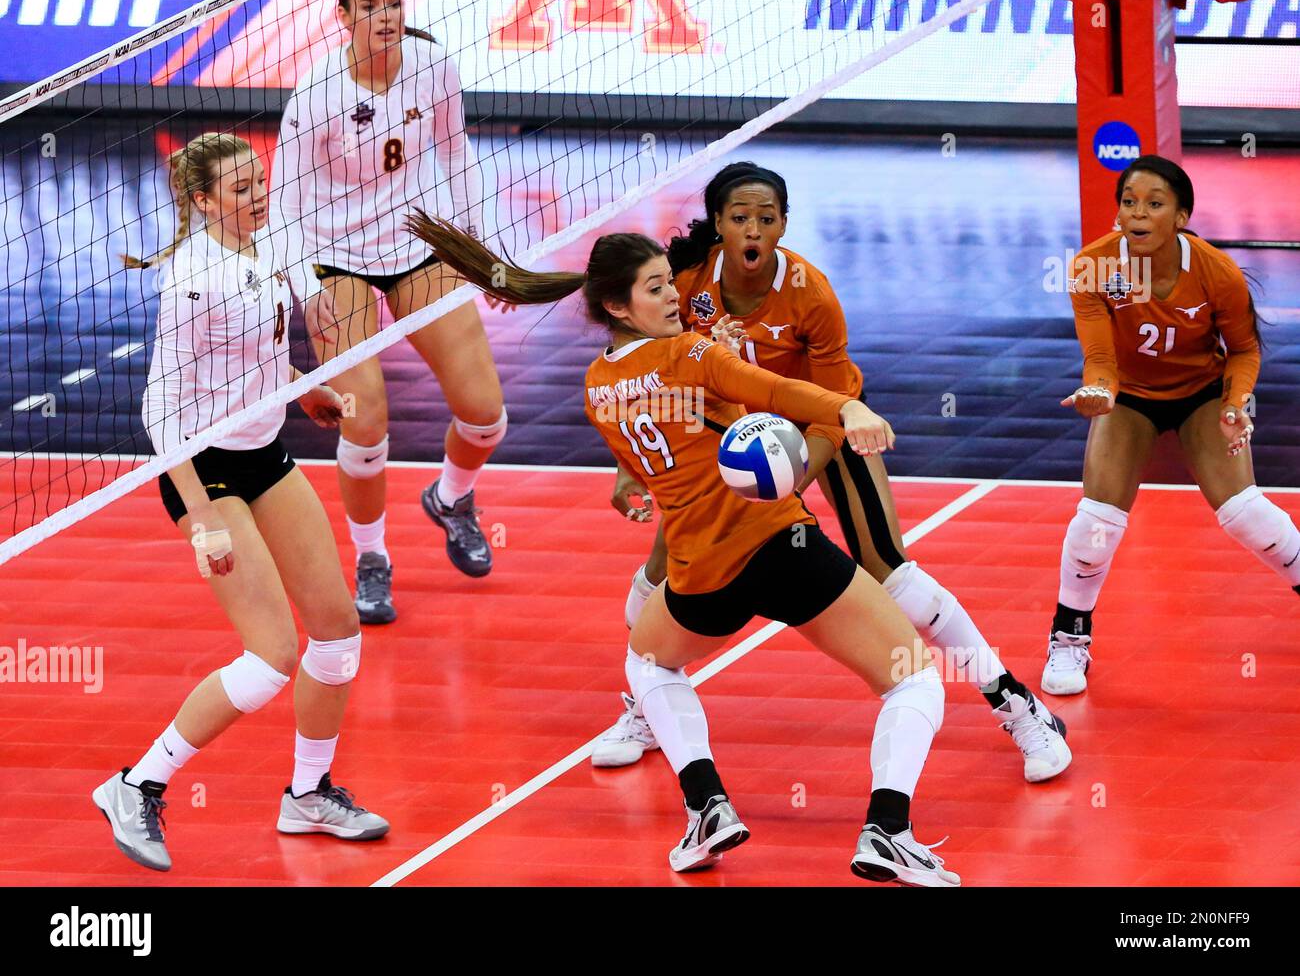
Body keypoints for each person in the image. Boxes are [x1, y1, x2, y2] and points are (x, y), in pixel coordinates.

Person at [408, 212, 959, 885]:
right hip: (780, 546)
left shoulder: (597, 387)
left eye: (670, 282)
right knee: (913, 678)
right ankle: (889, 831)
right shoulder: (691, 356)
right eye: (655, 288)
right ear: (619, 306)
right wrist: (846, 409)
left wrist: (711, 365)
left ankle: (706, 807)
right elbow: (775, 392)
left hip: (700, 572)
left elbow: (672, 435)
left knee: (647, 660)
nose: (673, 295)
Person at [593, 162, 1069, 783]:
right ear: (719, 225)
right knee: (659, 578)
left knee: (890, 573)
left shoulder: (810, 294)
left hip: (827, 420)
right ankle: (647, 706)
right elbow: (641, 384)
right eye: (740, 218)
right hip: (733, 439)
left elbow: (832, 402)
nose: (753, 230)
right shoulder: (682, 285)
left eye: (766, 218)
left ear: (784, 224)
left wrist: (787, 476)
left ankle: (1017, 706)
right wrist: (629, 468)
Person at [95, 133, 388, 872]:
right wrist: (200, 518)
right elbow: (163, 410)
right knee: (272, 657)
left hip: (262, 453)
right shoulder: (195, 280)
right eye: (240, 189)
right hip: (202, 466)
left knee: (338, 635)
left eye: (260, 181)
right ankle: (136, 784)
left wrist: (304, 389)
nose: (259, 196)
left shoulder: (276, 238)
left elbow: (262, 351)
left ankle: (308, 794)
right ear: (202, 201)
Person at [270, 0, 507, 624]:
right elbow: (283, 204)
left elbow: (456, 156)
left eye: (394, 4)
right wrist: (304, 289)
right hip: (333, 257)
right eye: (370, 7)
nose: (386, 17)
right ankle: (372, 558)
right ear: (343, 17)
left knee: (486, 413)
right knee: (365, 418)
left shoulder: (433, 67)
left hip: (414, 242)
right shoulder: (317, 93)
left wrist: (481, 251)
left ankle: (451, 497)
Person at [1047, 154, 1298, 695]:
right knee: (1095, 524)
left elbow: (1244, 350)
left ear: (1181, 216)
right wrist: (1098, 392)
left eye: (1154, 204)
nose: (1137, 213)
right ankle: (1069, 638)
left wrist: (1235, 404)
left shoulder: (1216, 272)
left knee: (1248, 516)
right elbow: (1100, 359)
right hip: (1131, 397)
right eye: (1129, 202)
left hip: (1200, 393)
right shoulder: (1095, 266)